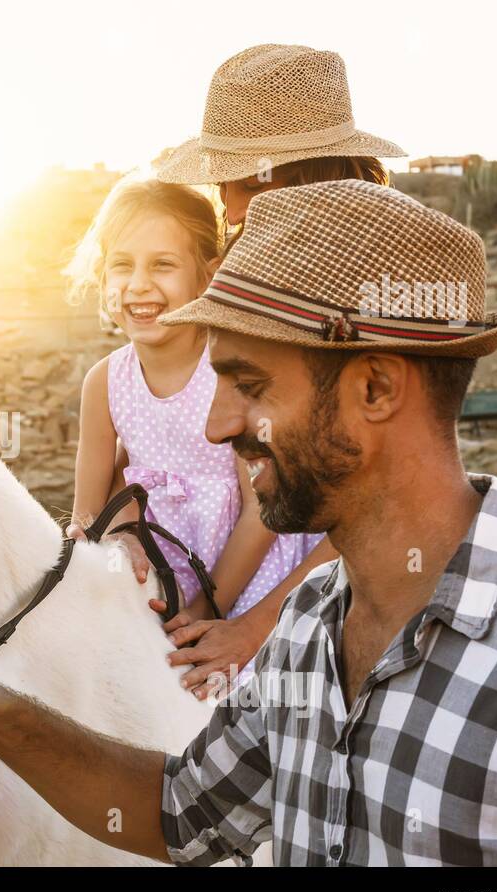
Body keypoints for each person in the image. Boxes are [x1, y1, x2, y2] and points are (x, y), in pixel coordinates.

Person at [0, 180, 497, 865]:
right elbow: (179, 809)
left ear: (375, 386)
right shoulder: (304, 629)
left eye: (250, 385)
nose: (215, 425)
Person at [147, 42, 407, 696]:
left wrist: (256, 627)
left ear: (291, 177)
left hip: (359, 587)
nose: (226, 204)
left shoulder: (364, 298)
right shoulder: (262, 275)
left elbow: (373, 500)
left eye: (237, 178)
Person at [65, 176, 323, 654]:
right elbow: (89, 510)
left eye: (163, 265)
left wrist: (207, 606)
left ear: (209, 275)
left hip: (241, 579)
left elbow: (260, 515)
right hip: (158, 577)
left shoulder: (229, 372)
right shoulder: (104, 383)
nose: (139, 285)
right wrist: (122, 538)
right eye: (121, 266)